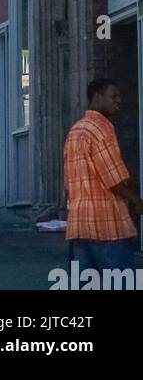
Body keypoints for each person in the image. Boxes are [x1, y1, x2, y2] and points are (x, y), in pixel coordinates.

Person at [63, 77, 143, 287]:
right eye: (113, 96)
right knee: (119, 283)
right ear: (97, 98)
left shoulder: (75, 130)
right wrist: (135, 200)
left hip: (79, 223)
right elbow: (113, 177)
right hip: (107, 224)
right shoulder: (101, 129)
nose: (119, 101)